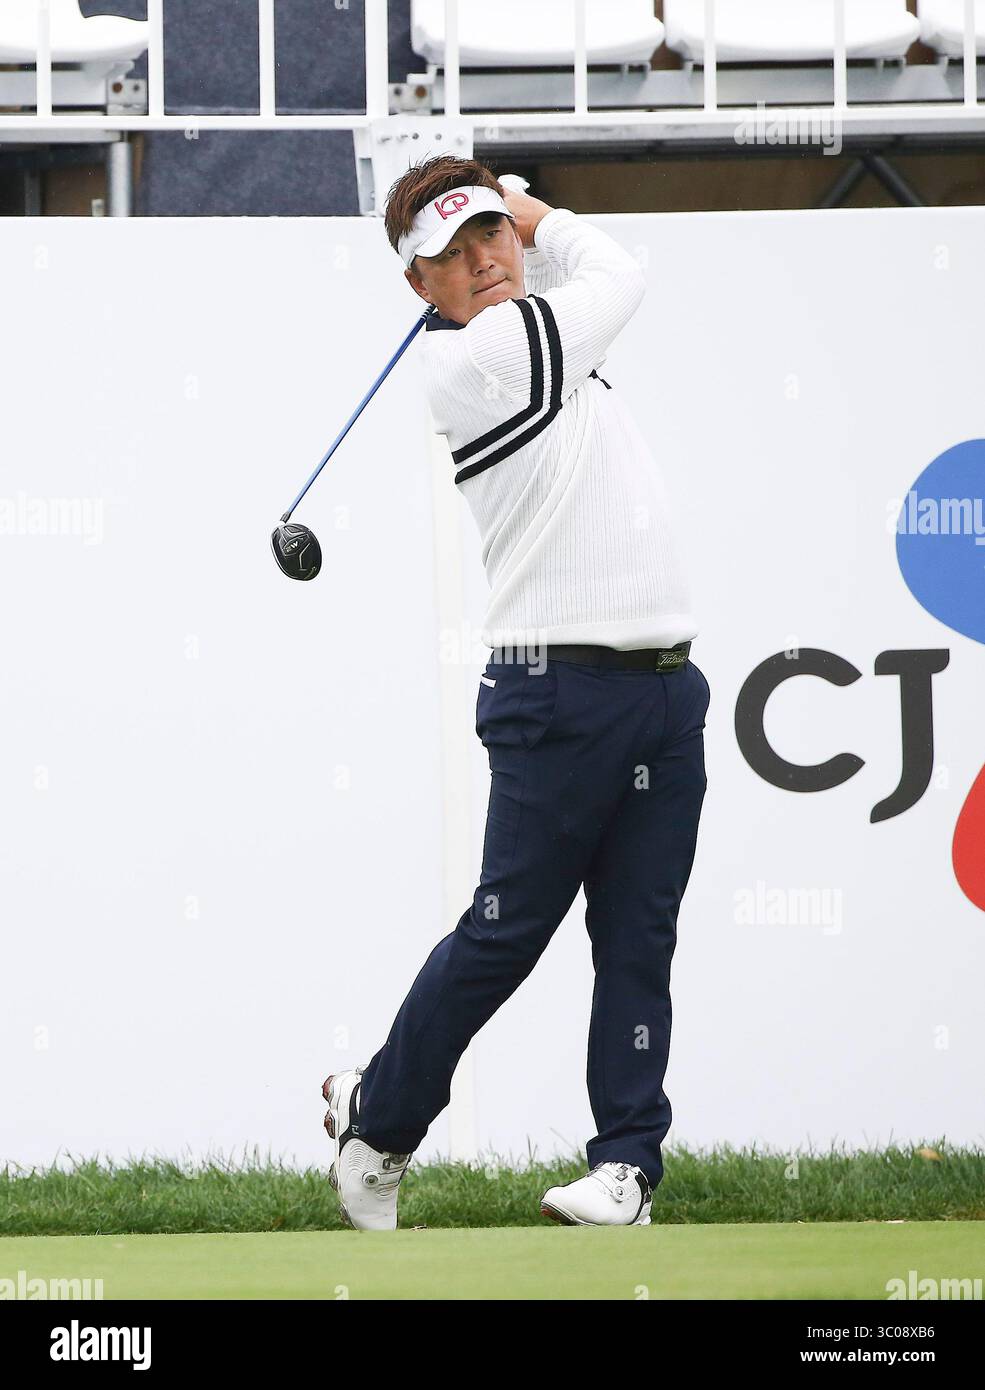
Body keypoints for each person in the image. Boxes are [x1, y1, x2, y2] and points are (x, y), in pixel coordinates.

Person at [322, 155, 709, 1230]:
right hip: (557, 691)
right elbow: (621, 272)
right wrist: (543, 212)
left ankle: (625, 1168)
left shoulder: (541, 335)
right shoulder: (484, 354)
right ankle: (378, 1124)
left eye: (490, 233)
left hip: (665, 691)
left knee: (639, 935)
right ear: (421, 289)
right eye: (449, 252)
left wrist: (520, 225)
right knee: (506, 931)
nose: (482, 257)